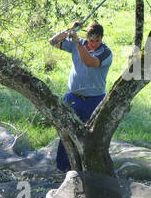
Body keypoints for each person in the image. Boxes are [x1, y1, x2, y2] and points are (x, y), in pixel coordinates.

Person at [47, 20, 113, 172]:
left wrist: (77, 41)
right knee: (67, 133)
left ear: (102, 38)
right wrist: (69, 29)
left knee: (91, 137)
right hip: (73, 98)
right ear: (87, 37)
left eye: (97, 40)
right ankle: (63, 168)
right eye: (91, 40)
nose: (94, 44)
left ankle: (89, 169)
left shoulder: (105, 53)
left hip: (94, 100)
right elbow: (53, 41)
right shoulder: (79, 43)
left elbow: (89, 62)